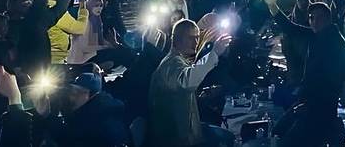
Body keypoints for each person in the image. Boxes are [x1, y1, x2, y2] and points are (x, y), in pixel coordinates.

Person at [265, 0, 345, 146]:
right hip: (308, 101)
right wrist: (272, 5)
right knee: (279, 130)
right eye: (311, 18)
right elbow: (291, 28)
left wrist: (311, 106)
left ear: (327, 18)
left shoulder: (335, 44)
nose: (312, 21)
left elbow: (333, 80)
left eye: (317, 18)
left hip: (320, 107)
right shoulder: (317, 36)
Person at [148, 18, 232, 147]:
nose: (195, 42)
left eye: (197, 37)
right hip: (175, 138)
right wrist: (214, 53)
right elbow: (186, 82)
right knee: (226, 138)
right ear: (176, 39)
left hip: (186, 132)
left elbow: (178, 92)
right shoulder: (171, 63)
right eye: (190, 38)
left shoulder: (178, 61)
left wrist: (201, 94)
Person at [36, 71, 130, 147]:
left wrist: (47, 115)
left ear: (91, 95)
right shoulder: (96, 110)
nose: (72, 95)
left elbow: (68, 140)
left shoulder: (98, 121)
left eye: (78, 91)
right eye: (72, 90)